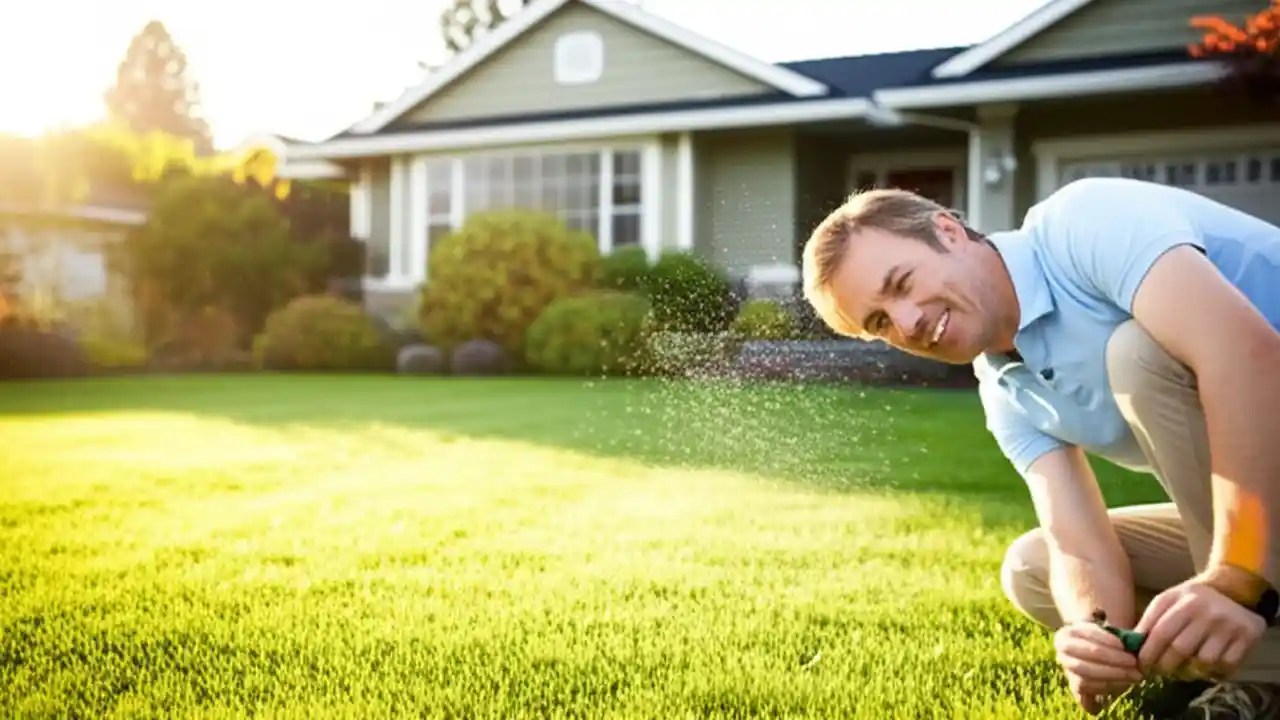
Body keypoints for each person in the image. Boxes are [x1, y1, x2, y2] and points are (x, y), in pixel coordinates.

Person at [800, 177, 1280, 718]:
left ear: (948, 231)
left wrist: (1237, 574)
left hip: (1257, 516)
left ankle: (1260, 664)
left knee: (1137, 356)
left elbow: (1247, 355)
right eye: (880, 322)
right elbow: (1080, 546)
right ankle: (1222, 635)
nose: (908, 322)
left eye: (902, 283)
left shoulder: (1085, 221)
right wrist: (1091, 636)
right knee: (1033, 565)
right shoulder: (1003, 386)